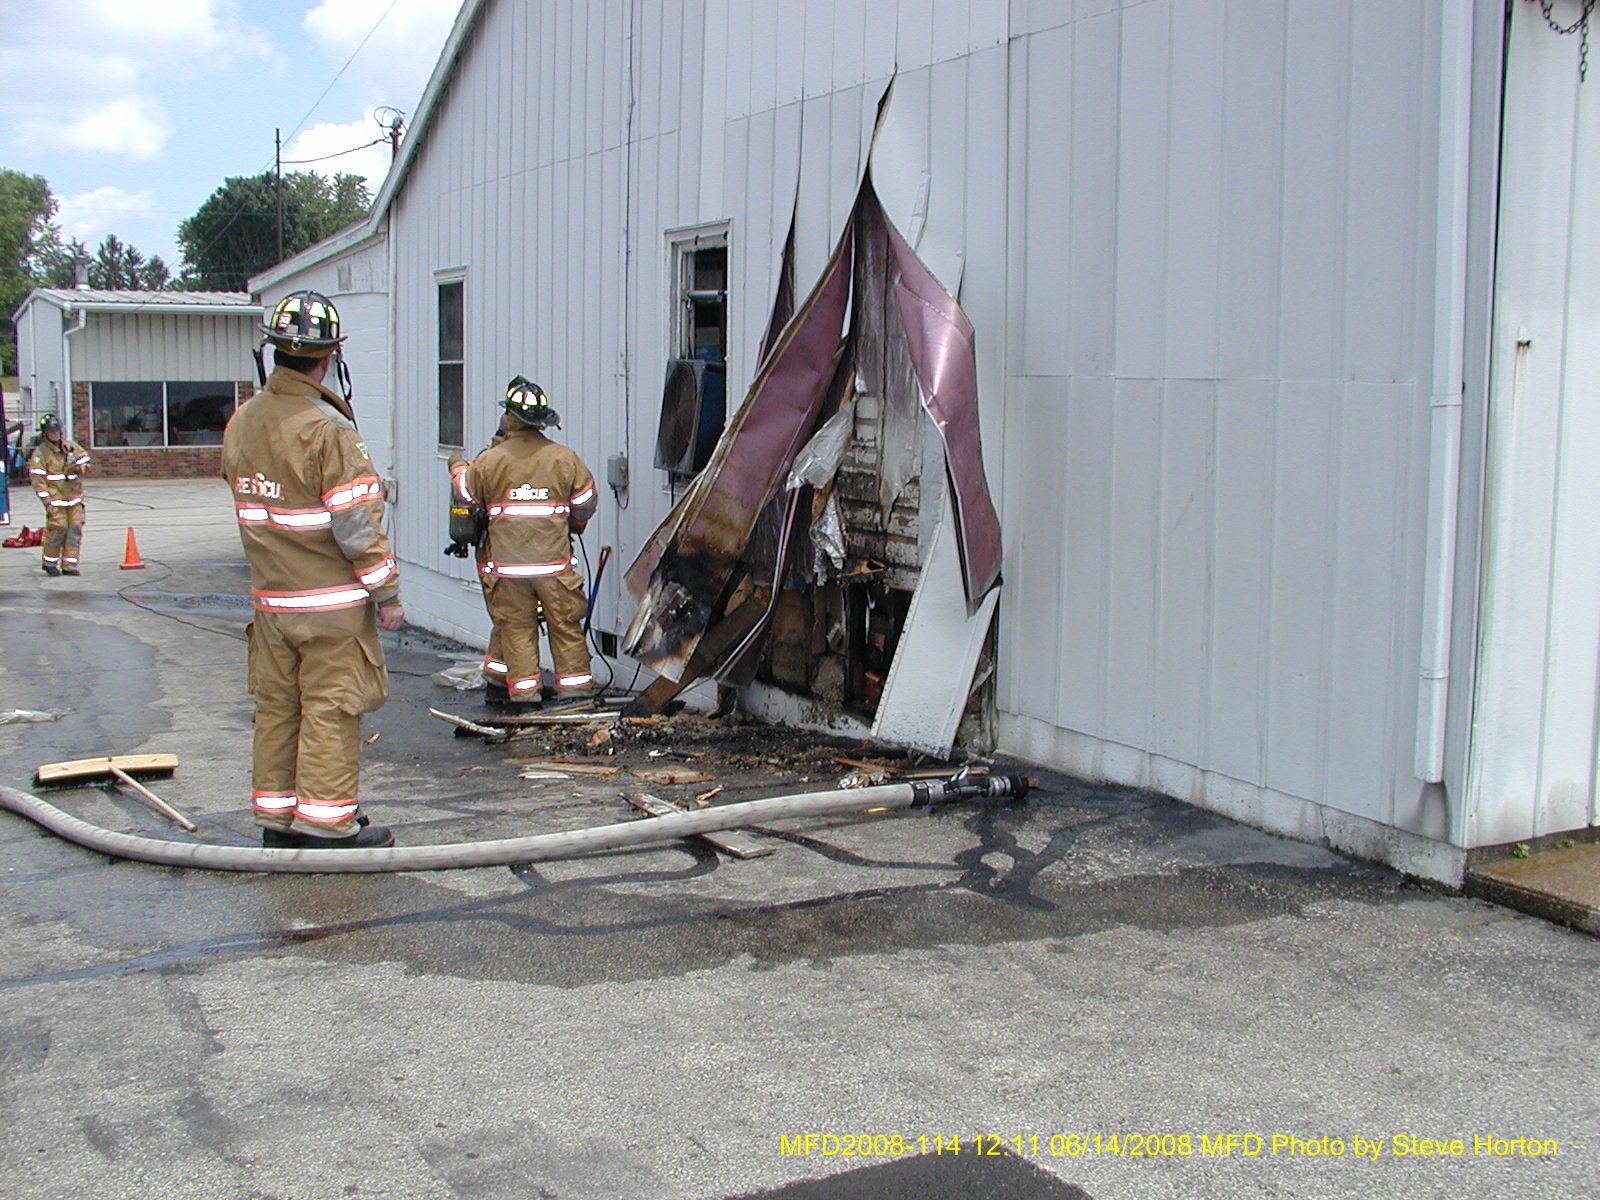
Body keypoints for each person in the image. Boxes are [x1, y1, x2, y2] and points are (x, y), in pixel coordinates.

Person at [221, 290, 403, 849]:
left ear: (273, 352)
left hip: (272, 605)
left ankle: (277, 820)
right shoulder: (327, 430)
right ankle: (326, 826)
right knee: (330, 709)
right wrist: (387, 595)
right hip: (329, 608)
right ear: (331, 357)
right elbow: (355, 528)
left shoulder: (243, 423)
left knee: (278, 709)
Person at [448, 376, 597, 709]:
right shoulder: (564, 458)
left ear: (509, 418)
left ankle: (525, 699)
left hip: (507, 568)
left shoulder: (490, 460)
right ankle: (575, 696)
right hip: (555, 568)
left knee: (516, 630)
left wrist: (457, 466)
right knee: (565, 626)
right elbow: (586, 502)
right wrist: (573, 523)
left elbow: (466, 495)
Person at [28, 413, 90, 576]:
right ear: (45, 433)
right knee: (58, 529)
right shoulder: (40, 454)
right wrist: (47, 501)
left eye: (56, 430)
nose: (54, 433)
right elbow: (38, 480)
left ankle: (69, 565)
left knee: (75, 528)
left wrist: (82, 466)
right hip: (56, 500)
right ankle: (49, 563)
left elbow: (84, 457)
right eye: (51, 431)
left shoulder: (69, 447)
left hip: (74, 498)